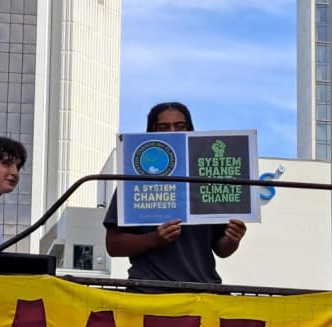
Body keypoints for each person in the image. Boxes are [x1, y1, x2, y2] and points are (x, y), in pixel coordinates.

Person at [104, 101, 247, 284]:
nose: (172, 131)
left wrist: (232, 239)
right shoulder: (133, 180)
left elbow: (221, 249)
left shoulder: (208, 178)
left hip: (204, 293)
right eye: (164, 127)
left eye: (180, 126)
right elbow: (113, 246)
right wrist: (154, 238)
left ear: (190, 130)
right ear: (151, 133)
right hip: (150, 292)